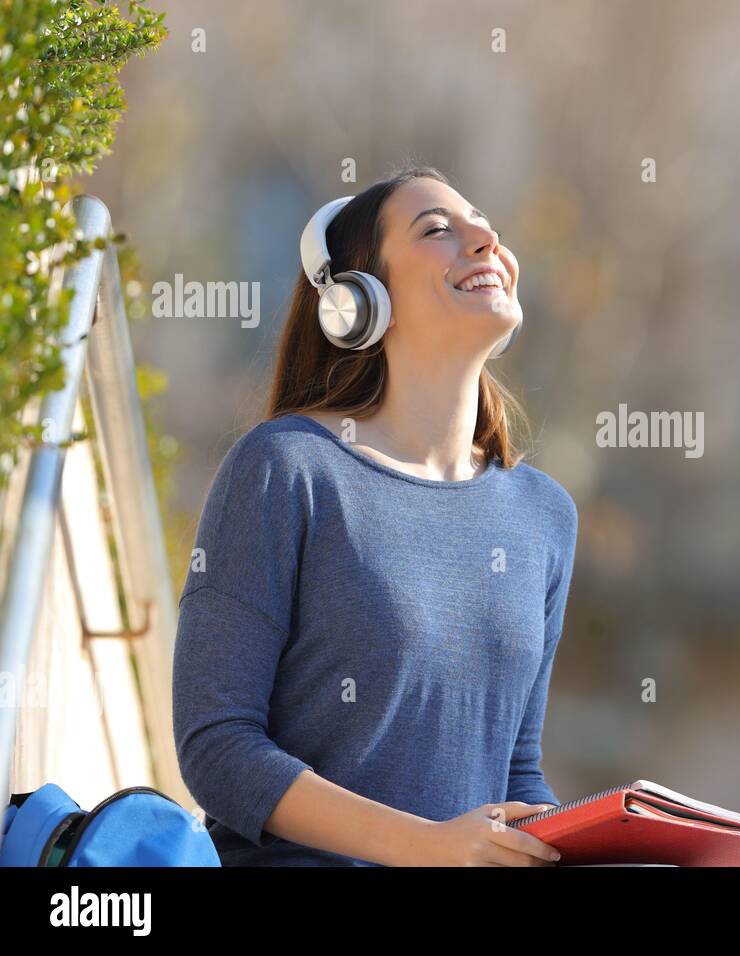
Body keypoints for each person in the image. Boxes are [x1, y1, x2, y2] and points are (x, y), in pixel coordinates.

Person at [172, 165, 577, 866]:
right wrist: (423, 846)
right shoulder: (285, 469)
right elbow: (218, 745)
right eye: (438, 231)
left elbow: (514, 773)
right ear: (359, 301)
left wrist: (599, 835)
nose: (486, 240)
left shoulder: (543, 516)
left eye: (486, 226)